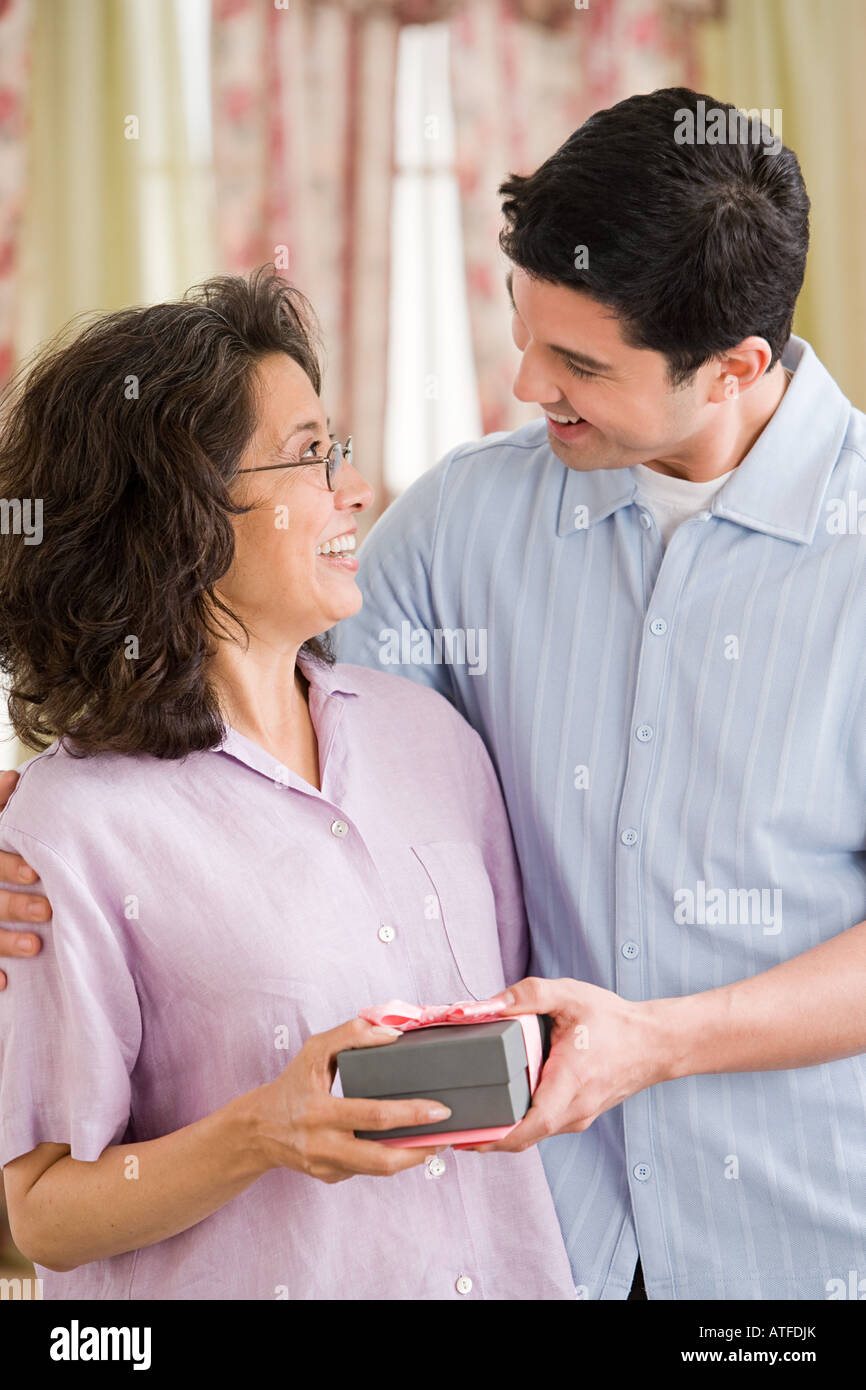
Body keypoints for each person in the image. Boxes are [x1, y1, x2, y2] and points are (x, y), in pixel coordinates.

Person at [334, 87, 866, 1300]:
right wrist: (66, 825)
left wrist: (658, 1044)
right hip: (544, 1239)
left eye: (579, 362)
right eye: (522, 330)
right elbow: (283, 765)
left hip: (807, 1244)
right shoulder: (462, 521)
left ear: (734, 365)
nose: (527, 383)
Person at [0, 267, 578, 1300]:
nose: (353, 489)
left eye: (337, 450)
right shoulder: (70, 823)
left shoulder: (426, 736)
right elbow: (44, 1208)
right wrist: (260, 1131)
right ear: (183, 514)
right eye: (311, 457)